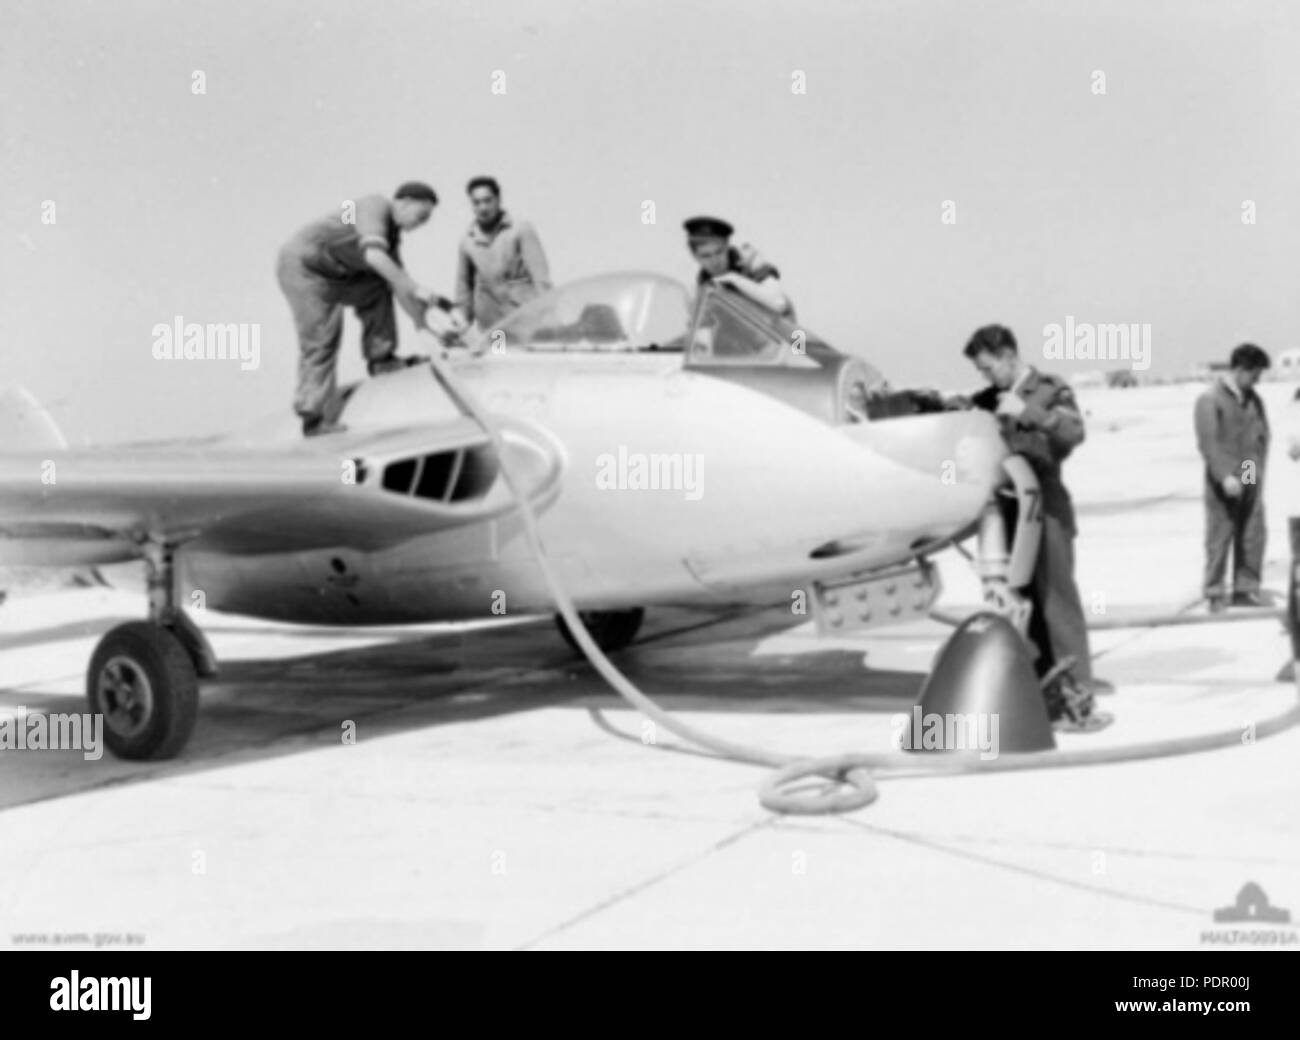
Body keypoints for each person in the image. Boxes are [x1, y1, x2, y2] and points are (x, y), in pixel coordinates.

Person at [954, 324, 1112, 732]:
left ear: (1008, 355)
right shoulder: (989, 398)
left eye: (990, 368)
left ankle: (1079, 697)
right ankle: (1045, 693)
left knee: (1057, 603)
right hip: (1008, 515)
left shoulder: (1049, 390)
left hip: (1046, 511)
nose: (987, 378)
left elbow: (1074, 432)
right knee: (1023, 605)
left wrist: (1025, 412)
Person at [277, 182, 464, 436]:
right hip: (305, 270)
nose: (421, 224)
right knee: (322, 339)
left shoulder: (392, 239)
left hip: (338, 274)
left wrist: (428, 327)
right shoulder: (373, 206)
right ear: (404, 203)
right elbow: (375, 257)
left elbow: (400, 286)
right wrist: (417, 288)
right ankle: (313, 415)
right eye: (421, 216)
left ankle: (382, 359)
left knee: (380, 284)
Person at [1193, 343, 1272, 611]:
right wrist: (1225, 477)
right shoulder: (1210, 399)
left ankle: (1245, 588)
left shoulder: (1253, 399)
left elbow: (1257, 438)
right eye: (1255, 374)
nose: (1258, 380)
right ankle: (1215, 591)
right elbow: (1208, 444)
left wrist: (1251, 477)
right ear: (1240, 370)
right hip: (1223, 480)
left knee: (1252, 530)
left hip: (1248, 472)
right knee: (1220, 534)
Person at [452, 176, 552, 333]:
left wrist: (548, 315)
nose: (483, 207)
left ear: (498, 199)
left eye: (487, 200)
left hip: (524, 318)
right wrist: (461, 321)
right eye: (477, 203)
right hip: (494, 324)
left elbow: (541, 277)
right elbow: (464, 287)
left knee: (525, 357)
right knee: (500, 355)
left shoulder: (520, 229)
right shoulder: (468, 242)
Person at [682, 216, 795, 319]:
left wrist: (734, 279)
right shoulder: (702, 285)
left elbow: (778, 303)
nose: (715, 260)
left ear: (727, 246)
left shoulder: (751, 261)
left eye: (719, 252)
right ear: (695, 256)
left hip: (781, 337)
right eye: (706, 256)